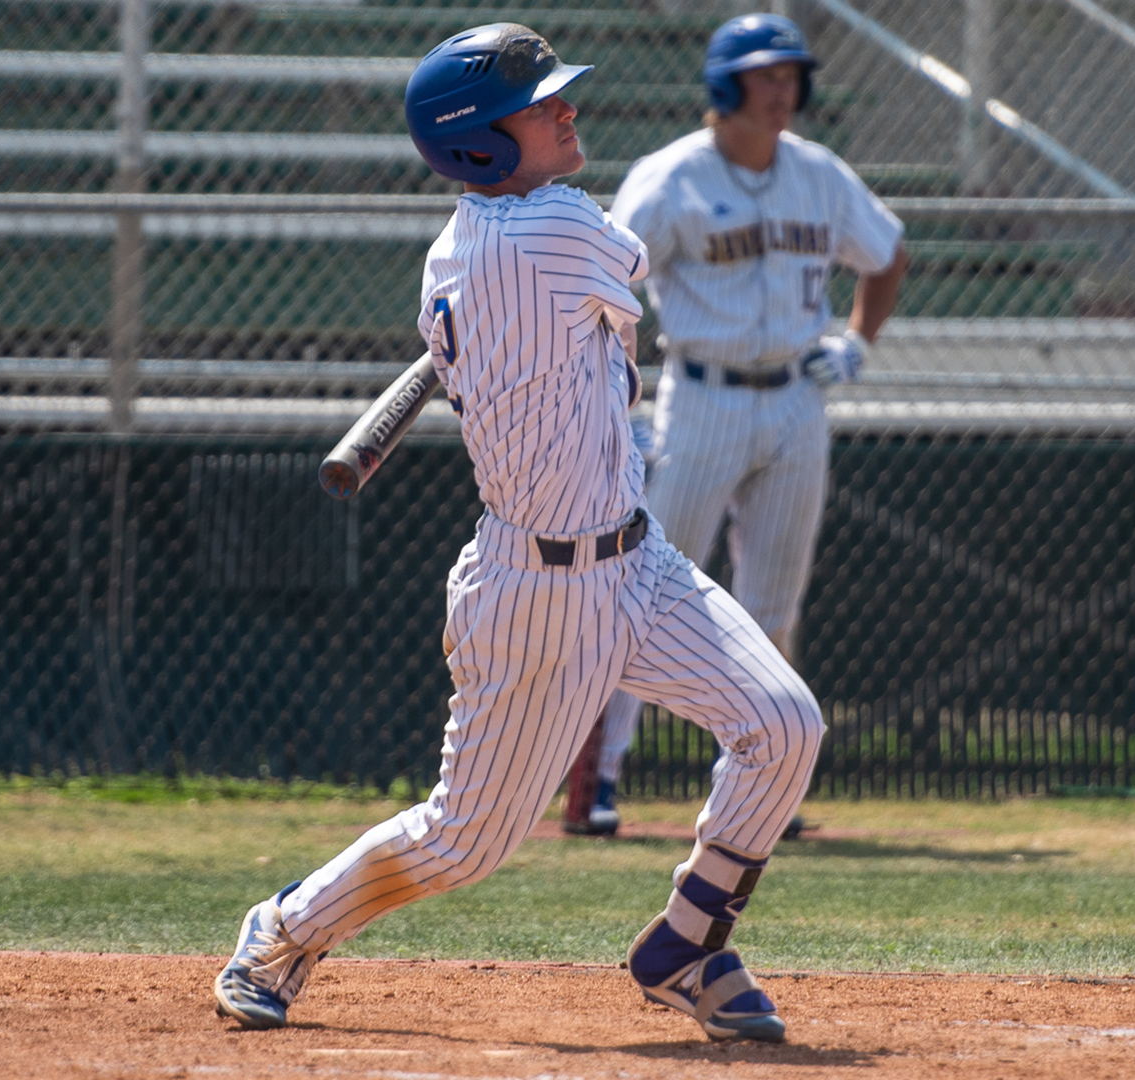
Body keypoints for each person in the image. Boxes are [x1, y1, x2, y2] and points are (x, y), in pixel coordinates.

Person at [210, 23, 824, 1044]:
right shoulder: (546, 229)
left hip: (640, 559)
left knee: (785, 724)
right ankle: (281, 930)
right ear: (480, 144)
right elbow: (628, 256)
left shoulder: (463, 244)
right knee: (466, 842)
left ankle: (689, 941)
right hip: (540, 595)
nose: (565, 111)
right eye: (540, 106)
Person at [575, 13, 907, 837]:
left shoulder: (819, 174)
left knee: (775, 602)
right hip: (702, 394)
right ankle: (600, 776)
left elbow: (889, 251)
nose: (782, 89)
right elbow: (603, 284)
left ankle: (762, 785)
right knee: (641, 593)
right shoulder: (671, 177)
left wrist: (857, 343)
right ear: (725, 86)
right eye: (765, 75)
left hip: (797, 398)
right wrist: (627, 402)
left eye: (791, 75)